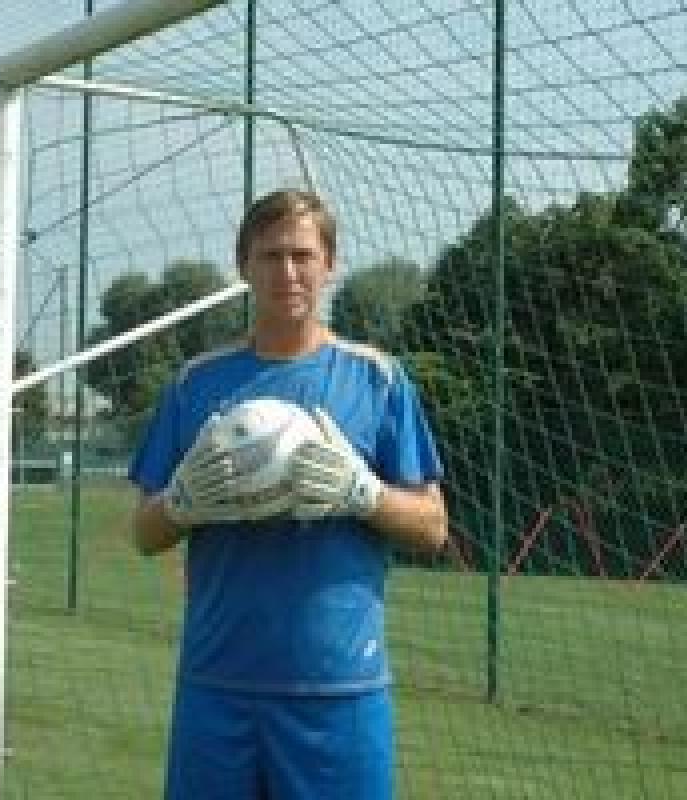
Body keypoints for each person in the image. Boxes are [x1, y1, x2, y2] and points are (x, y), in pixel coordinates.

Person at [128, 188, 448, 799]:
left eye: (303, 254)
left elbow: (433, 526)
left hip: (339, 691)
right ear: (244, 265)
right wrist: (180, 504)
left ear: (330, 264)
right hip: (217, 685)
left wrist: (364, 493)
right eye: (271, 255)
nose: (288, 271)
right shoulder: (196, 383)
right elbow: (143, 533)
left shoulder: (377, 377)